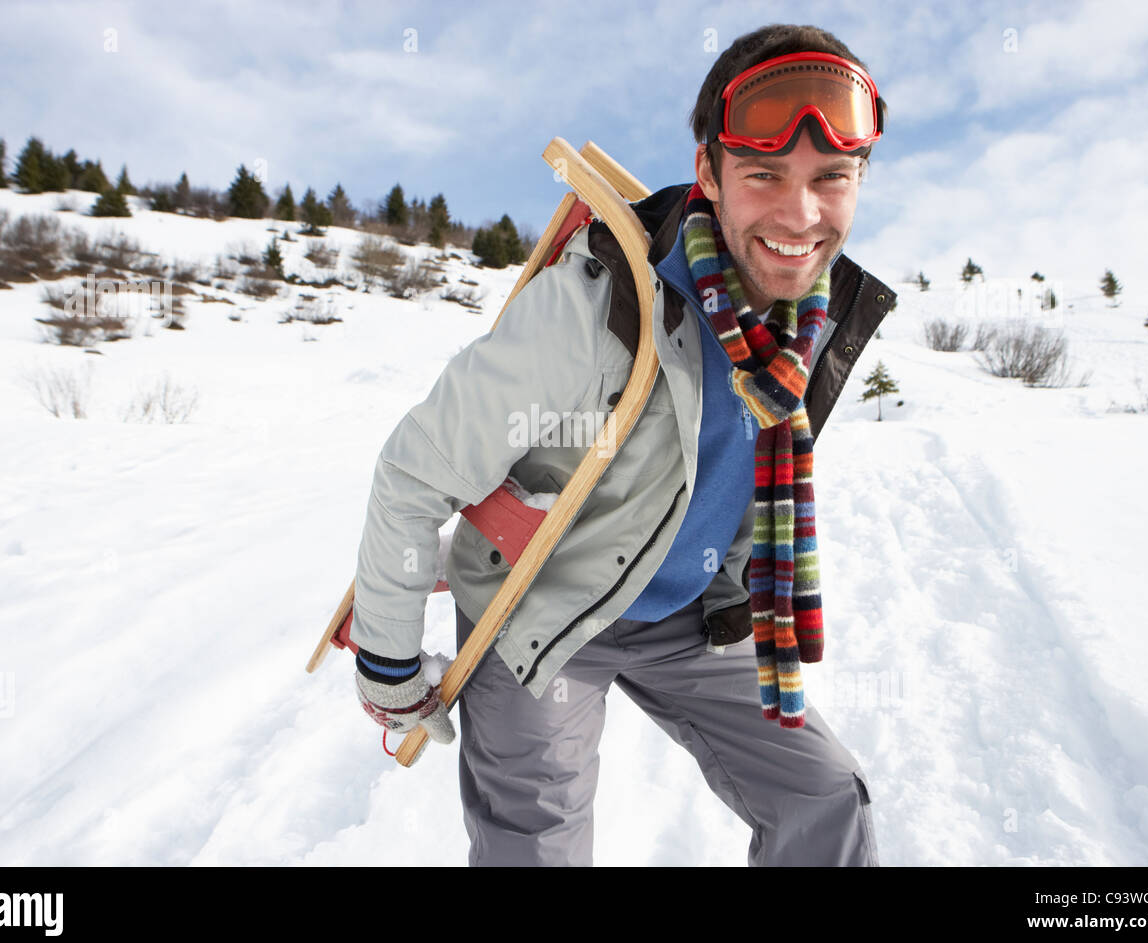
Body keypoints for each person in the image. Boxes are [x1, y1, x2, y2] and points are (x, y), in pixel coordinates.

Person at [350, 23, 897, 866]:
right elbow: (414, 475)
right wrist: (388, 667)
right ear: (710, 173)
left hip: (687, 613)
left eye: (833, 178)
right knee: (538, 846)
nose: (802, 213)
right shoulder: (596, 307)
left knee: (824, 801)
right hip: (543, 610)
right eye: (764, 175)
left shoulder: (808, 328)